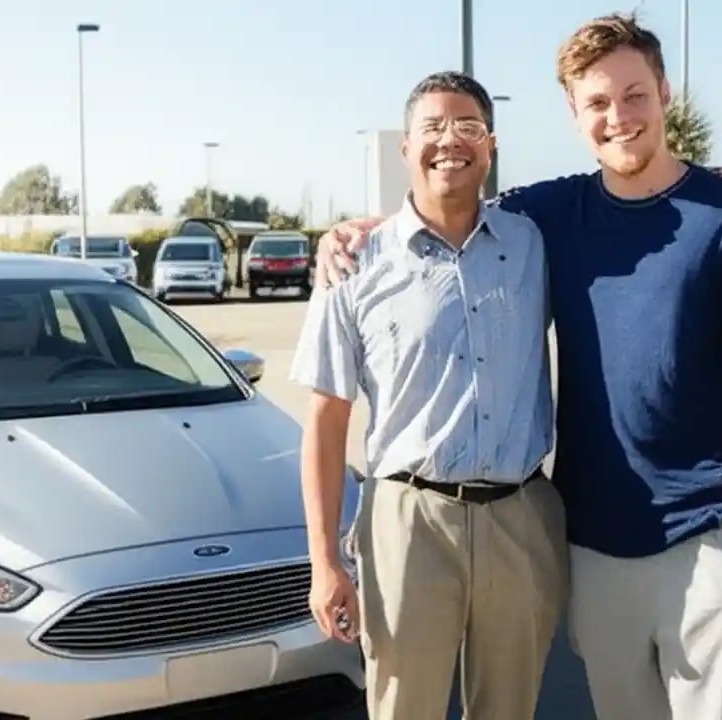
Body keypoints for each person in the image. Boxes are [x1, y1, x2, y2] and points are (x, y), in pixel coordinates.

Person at [313, 13, 722, 720]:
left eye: (634, 96)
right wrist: (363, 228)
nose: (618, 118)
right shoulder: (549, 214)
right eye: (597, 103)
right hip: (592, 545)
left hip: (710, 537)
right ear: (575, 113)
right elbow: (447, 201)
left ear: (664, 93)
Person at [289, 70, 568, 720]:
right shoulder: (354, 265)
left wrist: (714, 179)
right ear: (405, 147)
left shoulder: (534, 244)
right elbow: (327, 424)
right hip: (408, 524)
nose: (451, 141)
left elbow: (620, 193)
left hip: (520, 518)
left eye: (468, 127)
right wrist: (324, 561)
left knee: (510, 709)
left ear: (490, 148)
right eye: (433, 128)